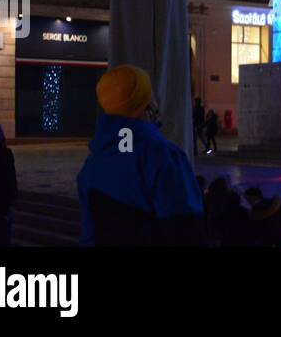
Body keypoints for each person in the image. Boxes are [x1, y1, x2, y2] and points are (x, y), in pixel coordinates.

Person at [76, 64, 205, 246]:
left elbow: (89, 236)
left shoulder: (92, 164)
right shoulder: (163, 156)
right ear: (146, 104)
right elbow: (185, 229)